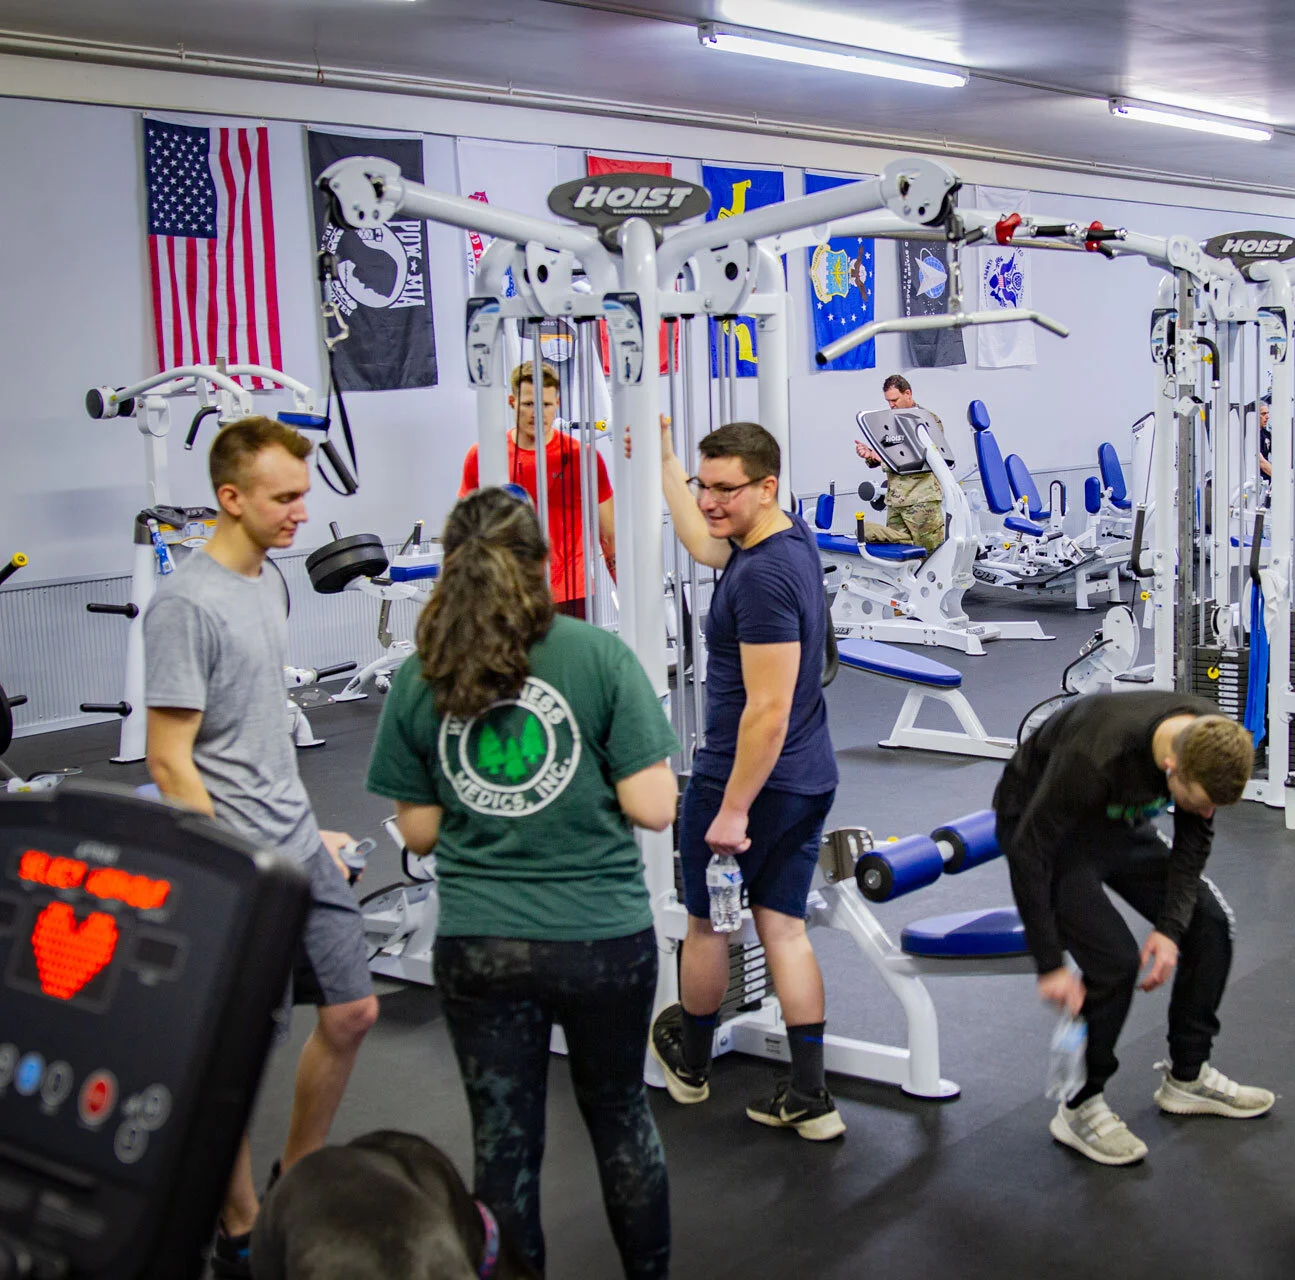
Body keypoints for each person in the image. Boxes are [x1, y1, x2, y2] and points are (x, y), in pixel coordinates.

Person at [364, 487, 677, 1278]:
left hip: (481, 943)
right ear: (542, 563)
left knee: (505, 1144)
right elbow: (654, 806)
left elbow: (421, 832)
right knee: (618, 1115)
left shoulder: (421, 673)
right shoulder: (599, 655)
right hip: (603, 939)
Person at [143, 417, 379, 1278]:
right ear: (231, 498)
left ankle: (298, 1178)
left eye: (303, 494)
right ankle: (239, 1226)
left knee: (353, 1011)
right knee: (236, 1058)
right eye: (284, 498)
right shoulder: (186, 604)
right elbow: (172, 761)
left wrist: (308, 826)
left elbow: (255, 737)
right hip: (237, 862)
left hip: (296, 841)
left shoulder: (267, 583)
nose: (300, 513)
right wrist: (225, 876)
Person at [649, 419, 844, 1139]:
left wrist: (731, 810)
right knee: (784, 931)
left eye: (726, 489)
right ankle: (811, 1097)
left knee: (706, 928)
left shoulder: (761, 581)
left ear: (767, 486)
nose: (709, 502)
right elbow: (703, 543)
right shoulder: (782, 540)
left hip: (750, 779)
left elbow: (766, 710)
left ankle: (692, 1070)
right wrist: (665, 461)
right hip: (806, 774)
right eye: (704, 485)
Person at [994, 690, 1274, 1166]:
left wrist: (1169, 929)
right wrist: (1050, 962)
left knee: (1208, 923)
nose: (1207, 815)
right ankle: (1080, 1105)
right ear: (1170, 766)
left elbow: (1193, 841)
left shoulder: (1210, 739)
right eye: (1201, 803)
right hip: (1047, 831)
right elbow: (1029, 853)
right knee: (1114, 964)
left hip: (1116, 824)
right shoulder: (1096, 752)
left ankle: (1187, 1076)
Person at [459, 360, 617, 619]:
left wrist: (628, 595)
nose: (538, 414)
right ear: (512, 402)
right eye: (528, 404)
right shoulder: (484, 456)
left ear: (557, 403)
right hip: (507, 591)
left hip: (571, 592)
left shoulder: (582, 457)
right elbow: (466, 533)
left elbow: (609, 535)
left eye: (545, 405)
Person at [854, 374, 946, 550]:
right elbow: (885, 453)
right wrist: (870, 455)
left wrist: (882, 457)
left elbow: (923, 456)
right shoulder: (890, 423)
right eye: (888, 401)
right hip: (896, 500)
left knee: (930, 553)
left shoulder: (927, 420)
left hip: (921, 499)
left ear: (908, 394)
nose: (891, 405)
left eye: (894, 400)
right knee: (896, 554)